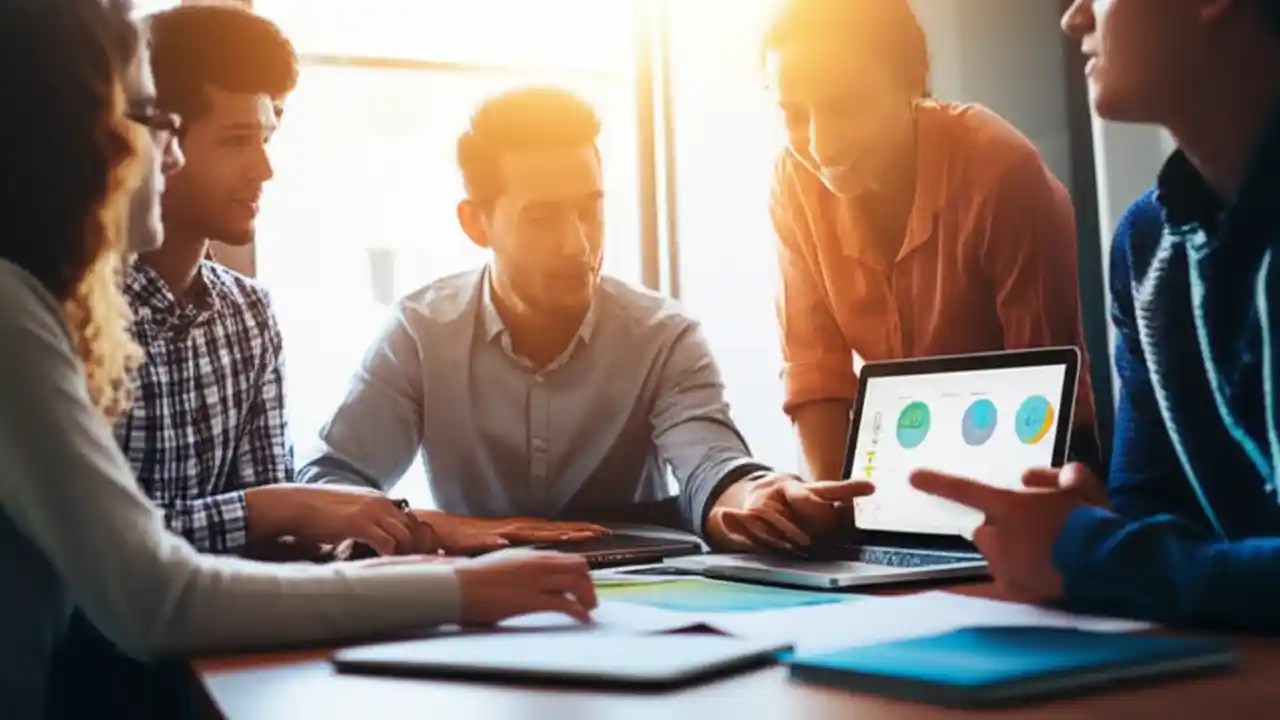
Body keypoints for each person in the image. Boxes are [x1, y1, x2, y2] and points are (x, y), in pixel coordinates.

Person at [0, 3, 593, 715]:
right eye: (154, 119)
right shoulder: (26, 312)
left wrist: (394, 543)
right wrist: (454, 588)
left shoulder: (236, 311)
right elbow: (150, 591)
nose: (176, 152)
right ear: (71, 131)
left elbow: (264, 545)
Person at [301, 86, 872, 554]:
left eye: (590, 209)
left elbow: (712, 469)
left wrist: (757, 496)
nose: (578, 245)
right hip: (480, 604)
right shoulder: (420, 335)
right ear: (477, 224)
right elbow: (331, 482)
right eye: (543, 217)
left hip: (640, 602)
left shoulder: (663, 337)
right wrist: (426, 528)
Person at [912, 0, 1280, 630]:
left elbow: (1135, 558)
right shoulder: (1145, 244)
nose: (1074, 17)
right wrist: (1096, 524)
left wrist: (1096, 552)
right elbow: (1155, 521)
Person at [764, 0, 1099, 483]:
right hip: (900, 466)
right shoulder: (792, 181)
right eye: (794, 114)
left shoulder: (1000, 171)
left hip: (1031, 464)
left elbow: (1045, 396)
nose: (821, 145)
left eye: (845, 105)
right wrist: (834, 513)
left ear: (913, 76)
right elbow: (815, 372)